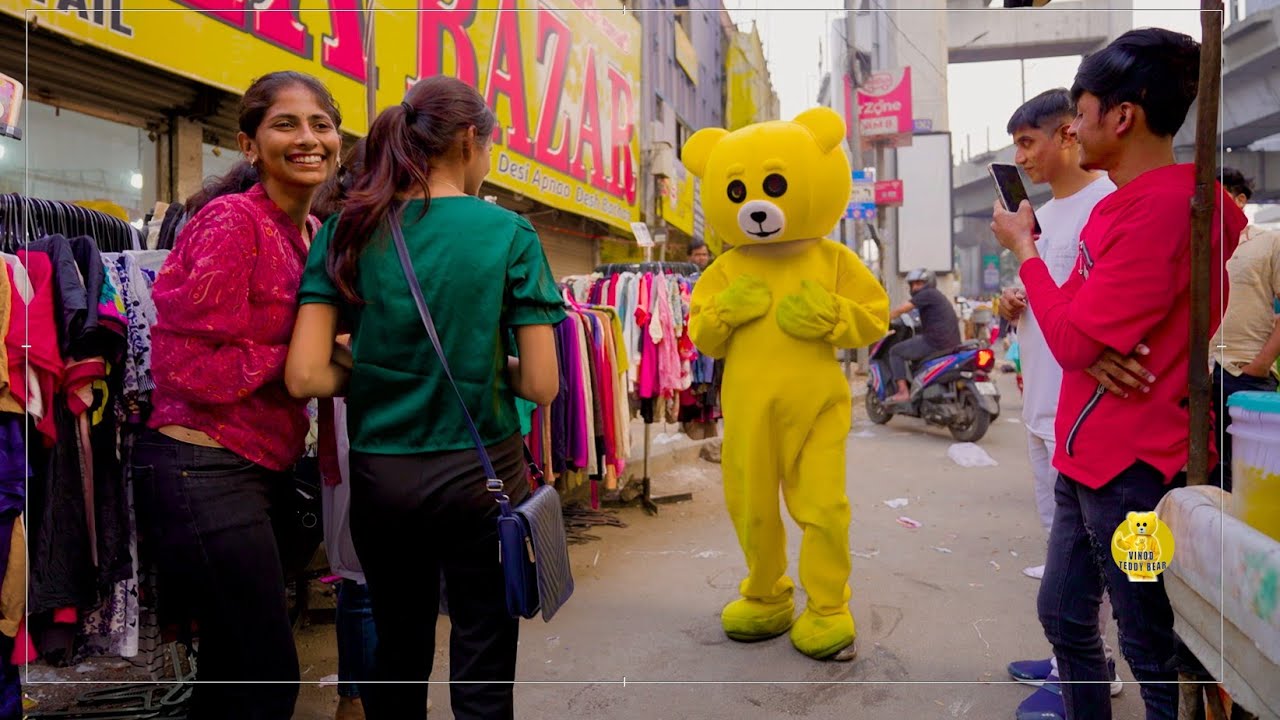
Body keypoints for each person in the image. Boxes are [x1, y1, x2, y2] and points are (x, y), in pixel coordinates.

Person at [284, 75, 564, 720]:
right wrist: (487, 370)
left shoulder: (345, 232)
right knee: (483, 649)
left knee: (398, 650)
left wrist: (381, 372)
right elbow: (543, 385)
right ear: (469, 140)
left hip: (382, 477)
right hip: (482, 473)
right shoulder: (508, 234)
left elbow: (303, 376)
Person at [992, 28, 1246, 720]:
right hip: (1088, 460)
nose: (1073, 125)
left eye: (1082, 109)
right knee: (1066, 615)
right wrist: (1082, 329)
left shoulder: (1168, 207)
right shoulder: (1129, 204)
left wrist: (1026, 252)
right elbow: (1079, 325)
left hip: (1133, 472)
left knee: (1148, 641)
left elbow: (1073, 337)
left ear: (1122, 116)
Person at [131, 70, 343, 719]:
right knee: (265, 674)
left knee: (231, 669)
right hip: (202, 467)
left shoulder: (309, 232)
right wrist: (303, 361)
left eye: (321, 124)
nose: (308, 137)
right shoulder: (232, 222)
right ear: (249, 145)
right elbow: (183, 366)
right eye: (286, 123)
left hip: (258, 470)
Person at [993, 88, 1123, 720]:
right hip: (1042, 402)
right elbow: (1038, 294)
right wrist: (1009, 301)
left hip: (1086, 413)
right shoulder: (1040, 218)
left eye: (1027, 142)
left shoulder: (1108, 205)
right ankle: (1073, 660)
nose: (1020, 158)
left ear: (1068, 133)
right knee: (1061, 548)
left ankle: (1095, 674)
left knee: (1088, 559)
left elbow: (1100, 315)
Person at [1210, 167, 1280, 491]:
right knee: (1208, 475)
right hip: (1201, 374)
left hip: (1246, 371)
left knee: (1253, 477)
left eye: (1219, 196)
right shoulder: (1199, 247)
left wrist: (1260, 364)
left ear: (1240, 200)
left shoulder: (1269, 242)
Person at [884, 268, 961, 404]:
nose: (915, 287)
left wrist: (882, 319)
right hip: (952, 344)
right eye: (912, 284)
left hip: (935, 343)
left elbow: (903, 309)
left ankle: (903, 392)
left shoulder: (927, 294)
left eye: (919, 283)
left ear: (928, 283)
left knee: (895, 352)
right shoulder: (937, 296)